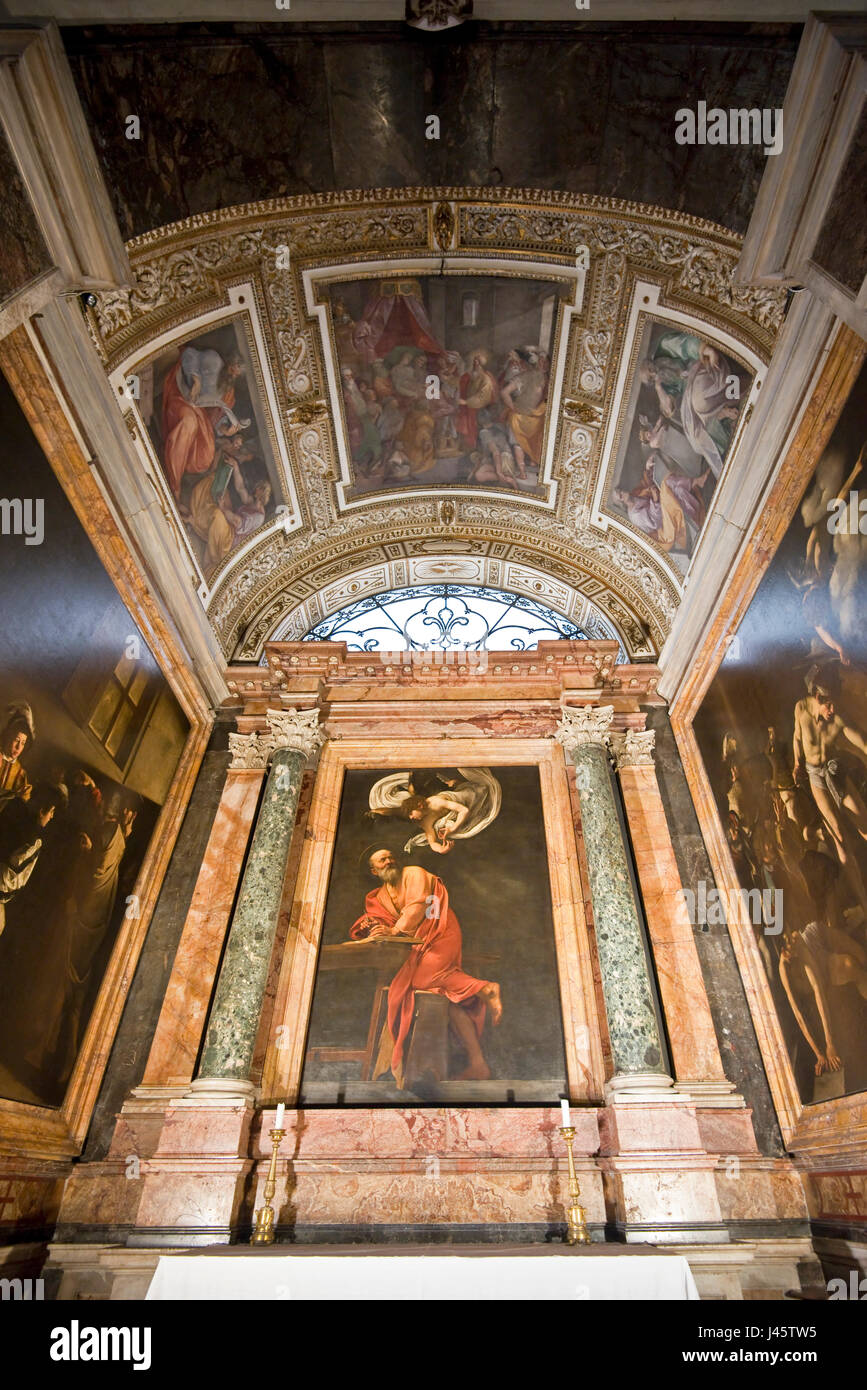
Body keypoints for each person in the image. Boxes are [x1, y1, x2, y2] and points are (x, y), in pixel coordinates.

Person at [350, 847, 502, 1086]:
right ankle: (478, 1063)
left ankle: (485, 988)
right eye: (383, 859)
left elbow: (418, 907)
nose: (390, 860)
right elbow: (378, 918)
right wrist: (372, 926)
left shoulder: (414, 874)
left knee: (421, 981)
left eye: (391, 856)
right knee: (446, 999)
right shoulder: (379, 895)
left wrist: (394, 930)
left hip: (441, 931)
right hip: (420, 942)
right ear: (373, 870)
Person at [792, 665, 867, 916]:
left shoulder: (838, 720)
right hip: (814, 777)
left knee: (864, 825)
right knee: (839, 838)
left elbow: (863, 743)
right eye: (828, 705)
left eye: (835, 704)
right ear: (817, 698)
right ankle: (865, 903)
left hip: (833, 771)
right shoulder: (801, 708)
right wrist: (796, 762)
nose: (832, 710)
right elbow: (796, 737)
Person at [161, 346, 248, 498]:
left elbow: (216, 419)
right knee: (189, 422)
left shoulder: (228, 392)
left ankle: (176, 462)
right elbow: (188, 354)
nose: (232, 376)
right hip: (182, 397)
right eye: (233, 371)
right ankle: (174, 483)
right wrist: (196, 380)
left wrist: (225, 429)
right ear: (229, 363)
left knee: (206, 455)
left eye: (236, 376)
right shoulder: (213, 360)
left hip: (199, 413)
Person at [0, 782, 66, 937]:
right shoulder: (33, 841)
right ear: (42, 811)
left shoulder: (10, 807)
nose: (51, 816)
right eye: (51, 812)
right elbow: (6, 881)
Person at [0, 703, 34, 808]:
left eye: (23, 743)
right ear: (9, 737)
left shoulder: (20, 772)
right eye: (17, 740)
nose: (19, 747)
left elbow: (24, 801)